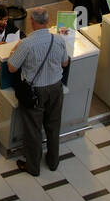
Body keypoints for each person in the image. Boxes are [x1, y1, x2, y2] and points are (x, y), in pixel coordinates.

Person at [7, 9, 70, 176]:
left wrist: (15, 49)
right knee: (53, 126)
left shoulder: (27, 43)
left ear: (32, 22)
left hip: (35, 92)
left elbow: (12, 67)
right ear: (48, 21)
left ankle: (33, 167)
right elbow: (65, 63)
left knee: (33, 130)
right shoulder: (58, 40)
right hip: (56, 88)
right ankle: (53, 162)